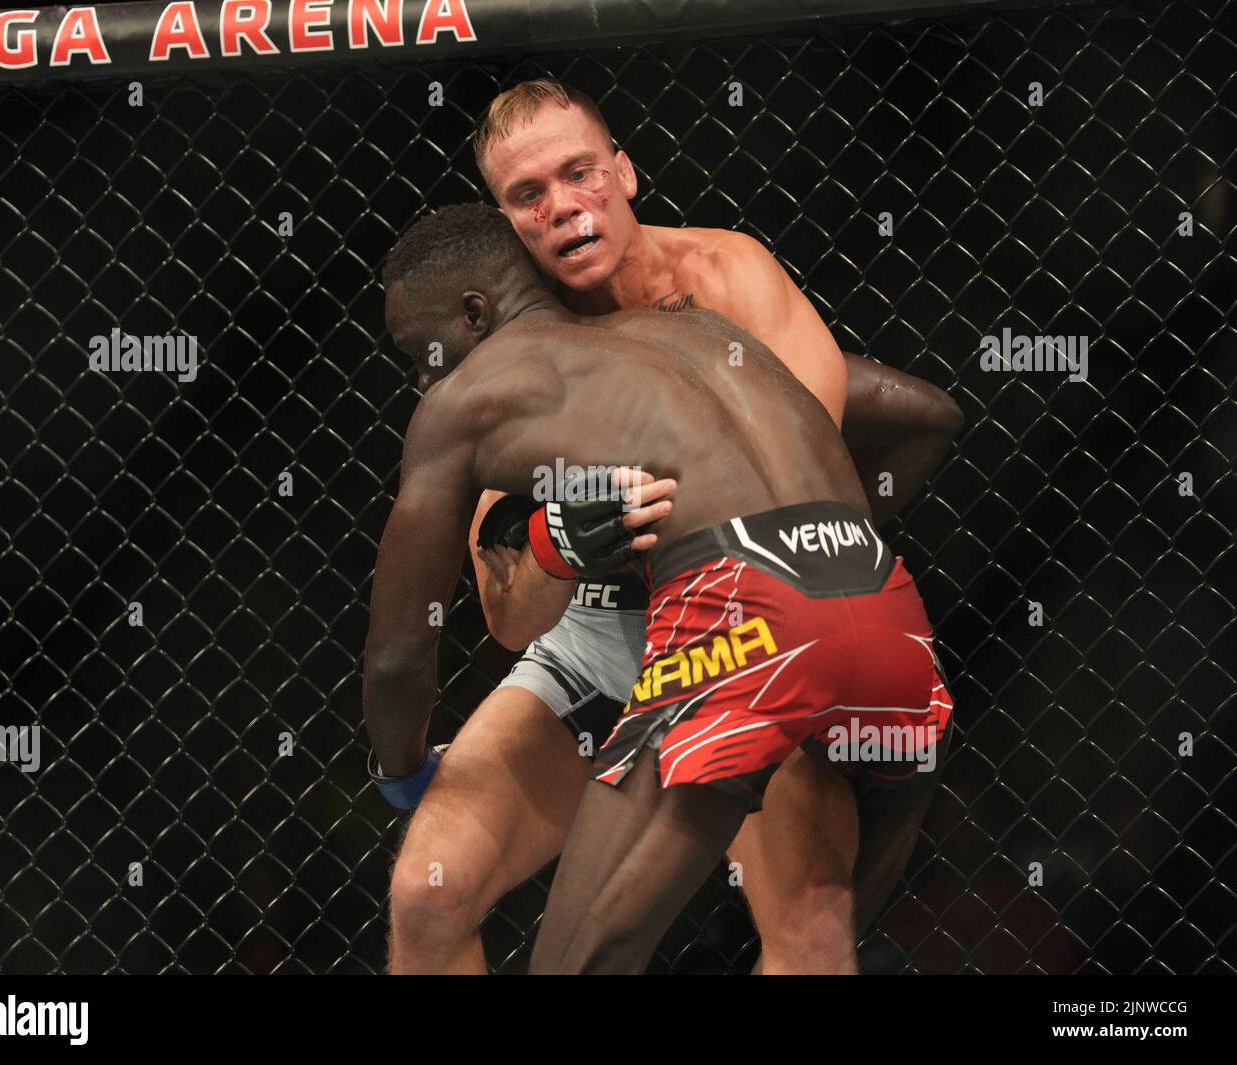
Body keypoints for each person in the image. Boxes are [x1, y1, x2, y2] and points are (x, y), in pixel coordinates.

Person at [383, 80, 962, 975]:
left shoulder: (724, 279)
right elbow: (506, 616)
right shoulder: (501, 354)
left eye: (579, 174)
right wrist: (556, 541)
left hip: (749, 619)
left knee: (810, 932)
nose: (564, 207)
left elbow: (807, 489)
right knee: (428, 893)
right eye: (529, 196)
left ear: (625, 172)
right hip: (598, 639)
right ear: (505, 225)